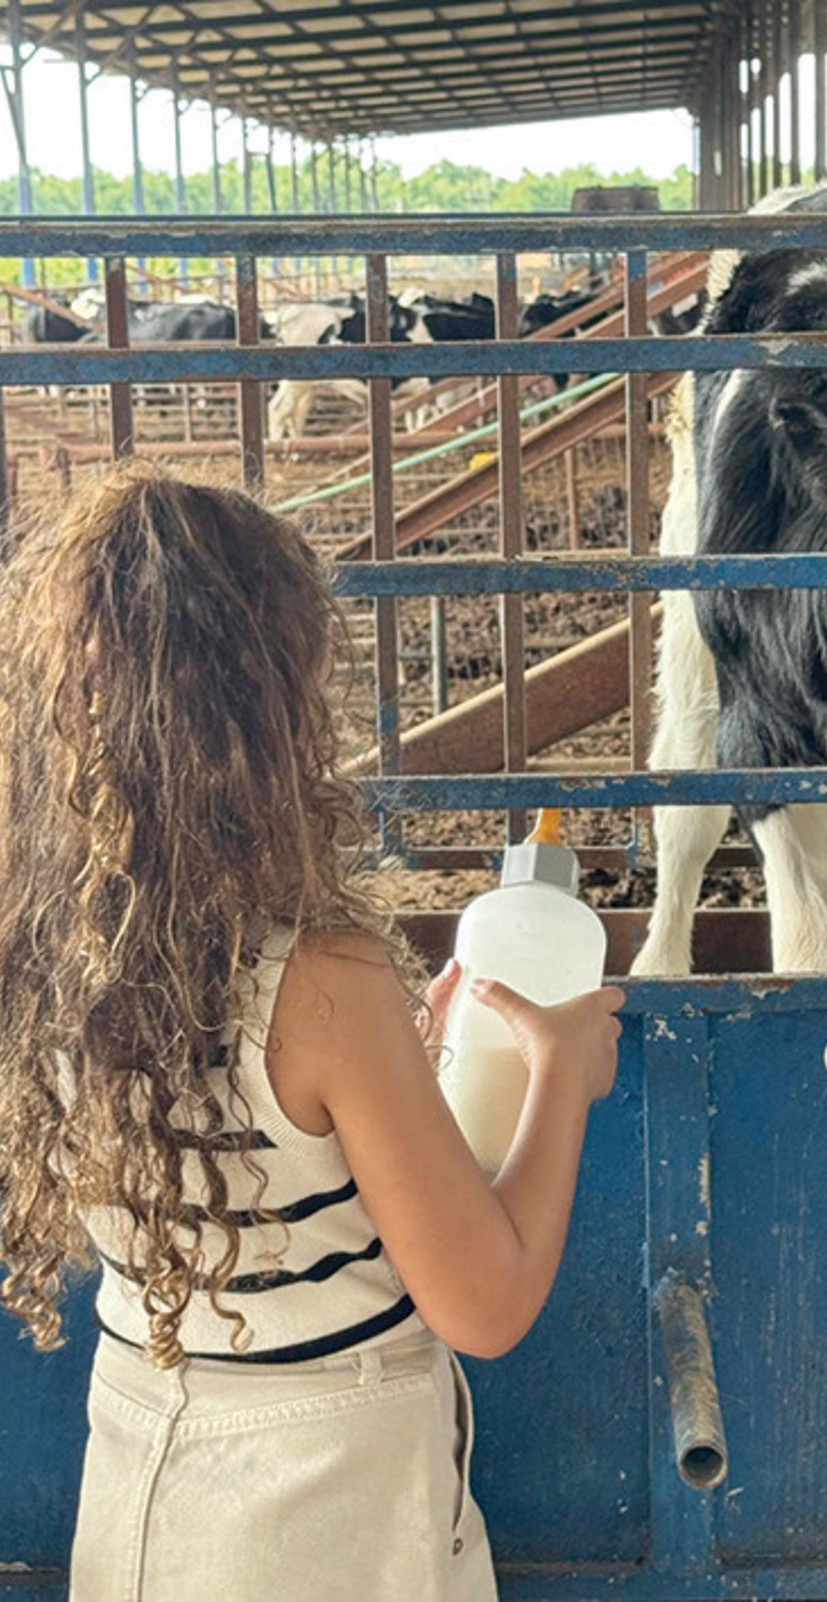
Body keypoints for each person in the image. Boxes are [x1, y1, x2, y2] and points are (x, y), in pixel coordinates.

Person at [0, 465, 624, 1601]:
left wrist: (404, 1065)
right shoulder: (320, 978)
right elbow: (485, 1307)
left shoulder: (39, 950)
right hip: (325, 1509)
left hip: (143, 1471)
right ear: (270, 705)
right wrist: (559, 1078)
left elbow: (247, 1156)